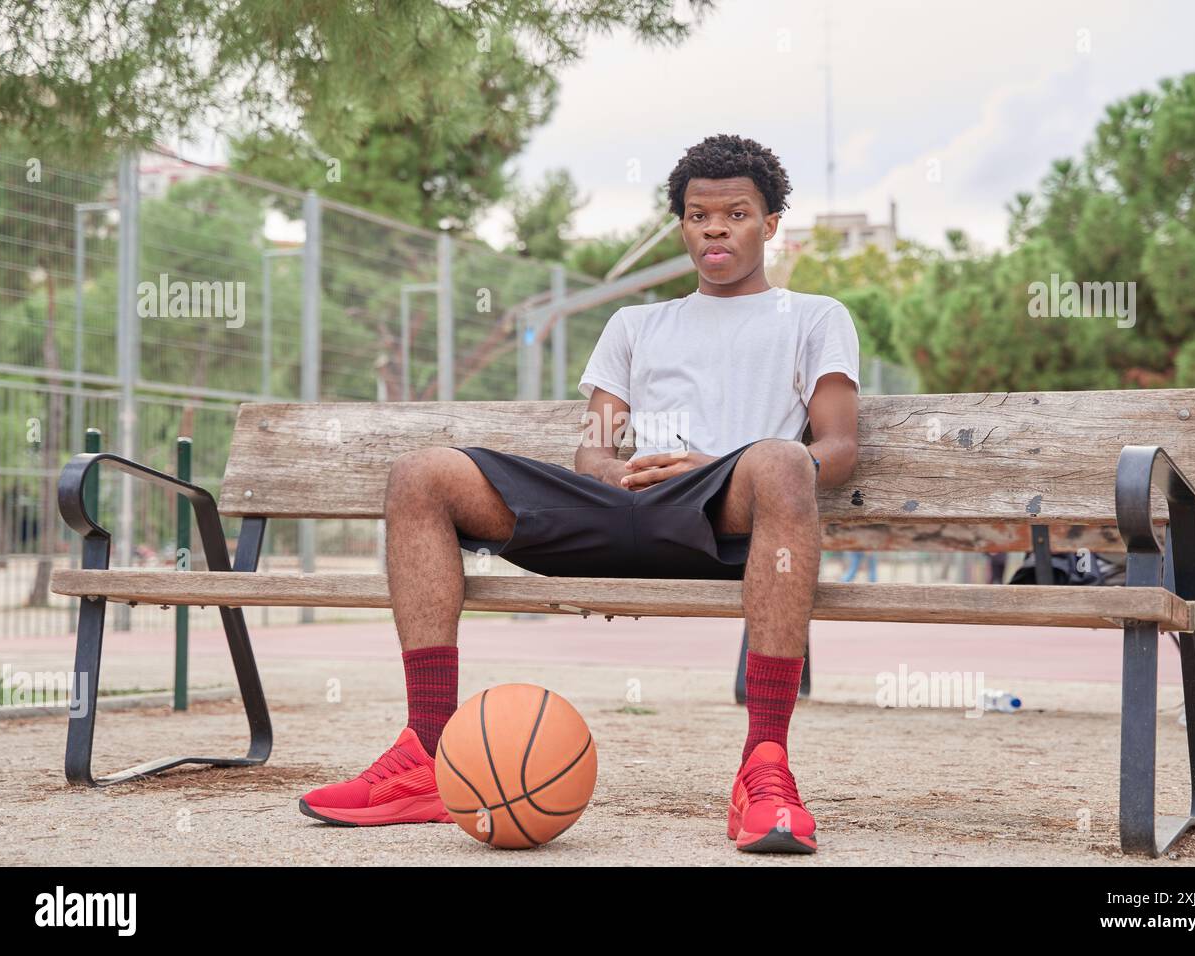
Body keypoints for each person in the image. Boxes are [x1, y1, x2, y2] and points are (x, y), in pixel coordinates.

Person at [298, 134, 861, 854]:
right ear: (682, 225)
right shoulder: (636, 324)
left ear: (771, 223)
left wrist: (717, 464)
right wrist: (611, 473)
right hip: (628, 503)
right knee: (422, 474)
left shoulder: (814, 316)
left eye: (737, 213)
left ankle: (764, 769)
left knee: (783, 461)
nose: (715, 228)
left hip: (729, 512)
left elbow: (837, 451)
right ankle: (423, 755)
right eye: (697, 215)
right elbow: (595, 445)